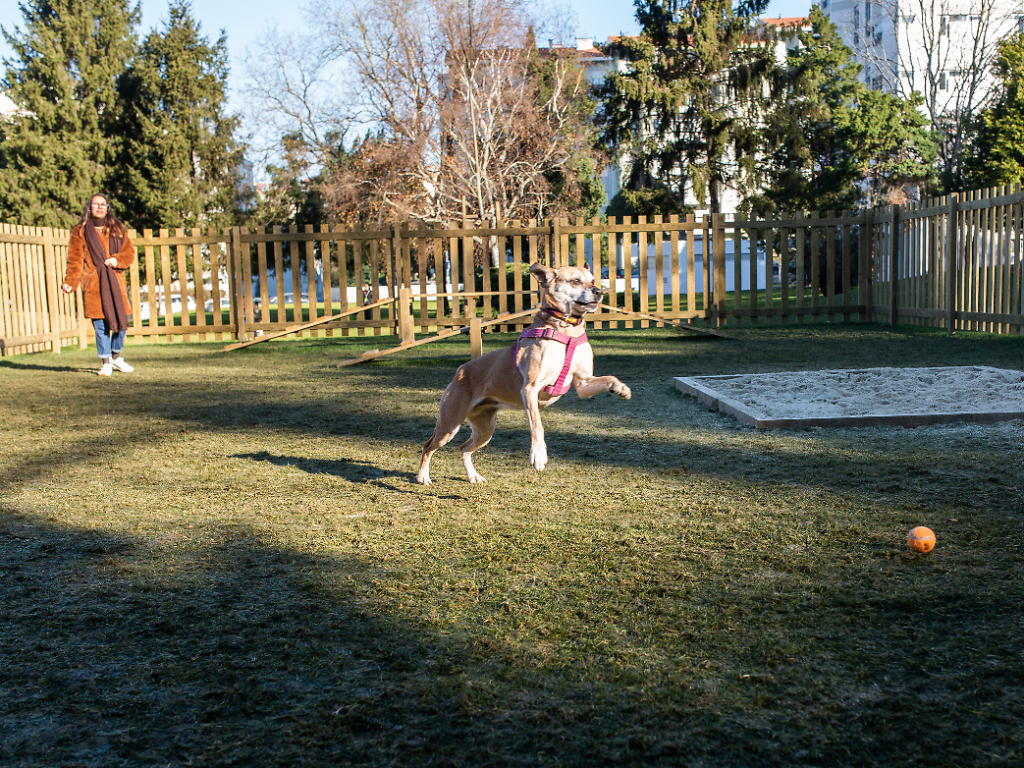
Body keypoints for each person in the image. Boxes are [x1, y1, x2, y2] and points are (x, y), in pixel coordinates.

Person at [61, 194, 136, 376]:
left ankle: (116, 357)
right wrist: (70, 282)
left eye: (103, 204)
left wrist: (116, 260)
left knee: (121, 323)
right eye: (96, 204)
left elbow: (129, 254)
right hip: (94, 285)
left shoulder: (117, 229)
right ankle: (105, 362)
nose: (100, 207)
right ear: (90, 207)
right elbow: (75, 260)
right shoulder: (80, 232)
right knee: (100, 326)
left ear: (107, 208)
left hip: (116, 284)